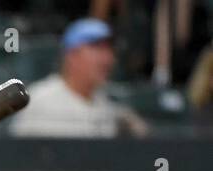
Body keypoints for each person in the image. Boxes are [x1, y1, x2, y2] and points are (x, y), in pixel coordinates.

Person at [10, 18, 148, 138]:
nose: (107, 59)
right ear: (72, 55)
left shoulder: (106, 105)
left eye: (109, 50)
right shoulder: (40, 101)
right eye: (97, 48)